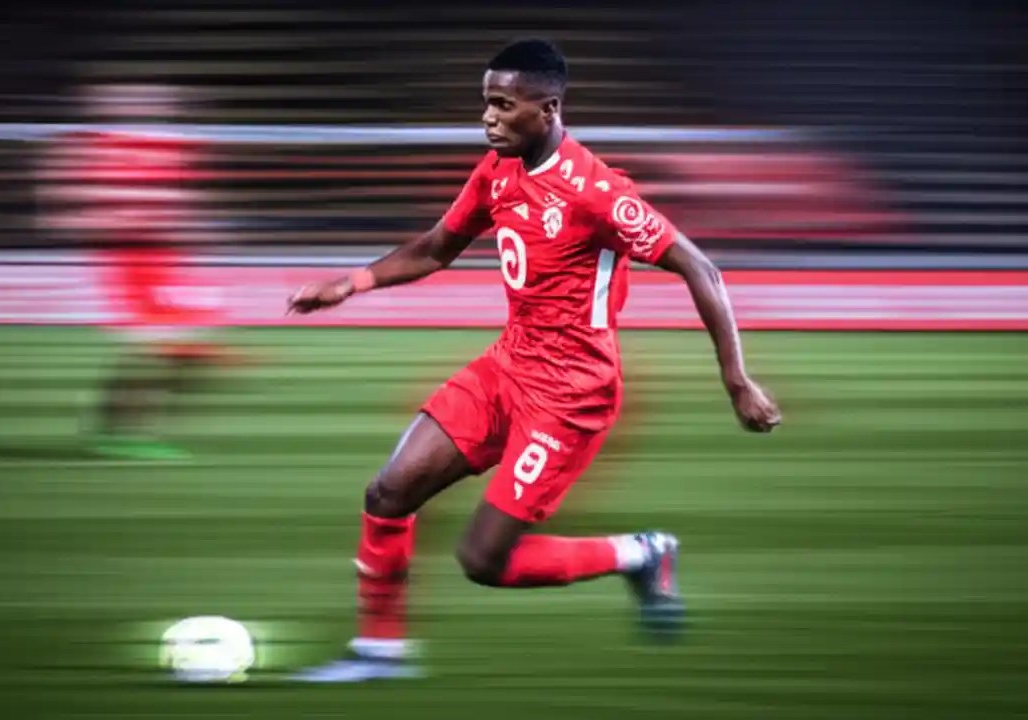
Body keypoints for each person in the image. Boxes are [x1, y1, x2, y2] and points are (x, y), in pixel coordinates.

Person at [286, 38, 781, 681]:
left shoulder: (596, 192)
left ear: (546, 110)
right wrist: (352, 282)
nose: (487, 118)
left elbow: (700, 267)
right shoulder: (497, 170)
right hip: (508, 365)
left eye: (501, 105)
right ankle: (380, 653)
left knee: (484, 561)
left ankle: (640, 554)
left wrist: (737, 381)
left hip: (570, 395)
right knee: (389, 490)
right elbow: (438, 247)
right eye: (485, 104)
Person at [36, 82, 231, 460]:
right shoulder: (90, 145)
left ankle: (119, 425)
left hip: (169, 259)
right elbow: (62, 208)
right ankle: (121, 430)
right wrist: (101, 221)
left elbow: (186, 201)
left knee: (194, 350)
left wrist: (197, 226)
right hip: (130, 261)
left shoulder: (172, 145)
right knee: (156, 347)